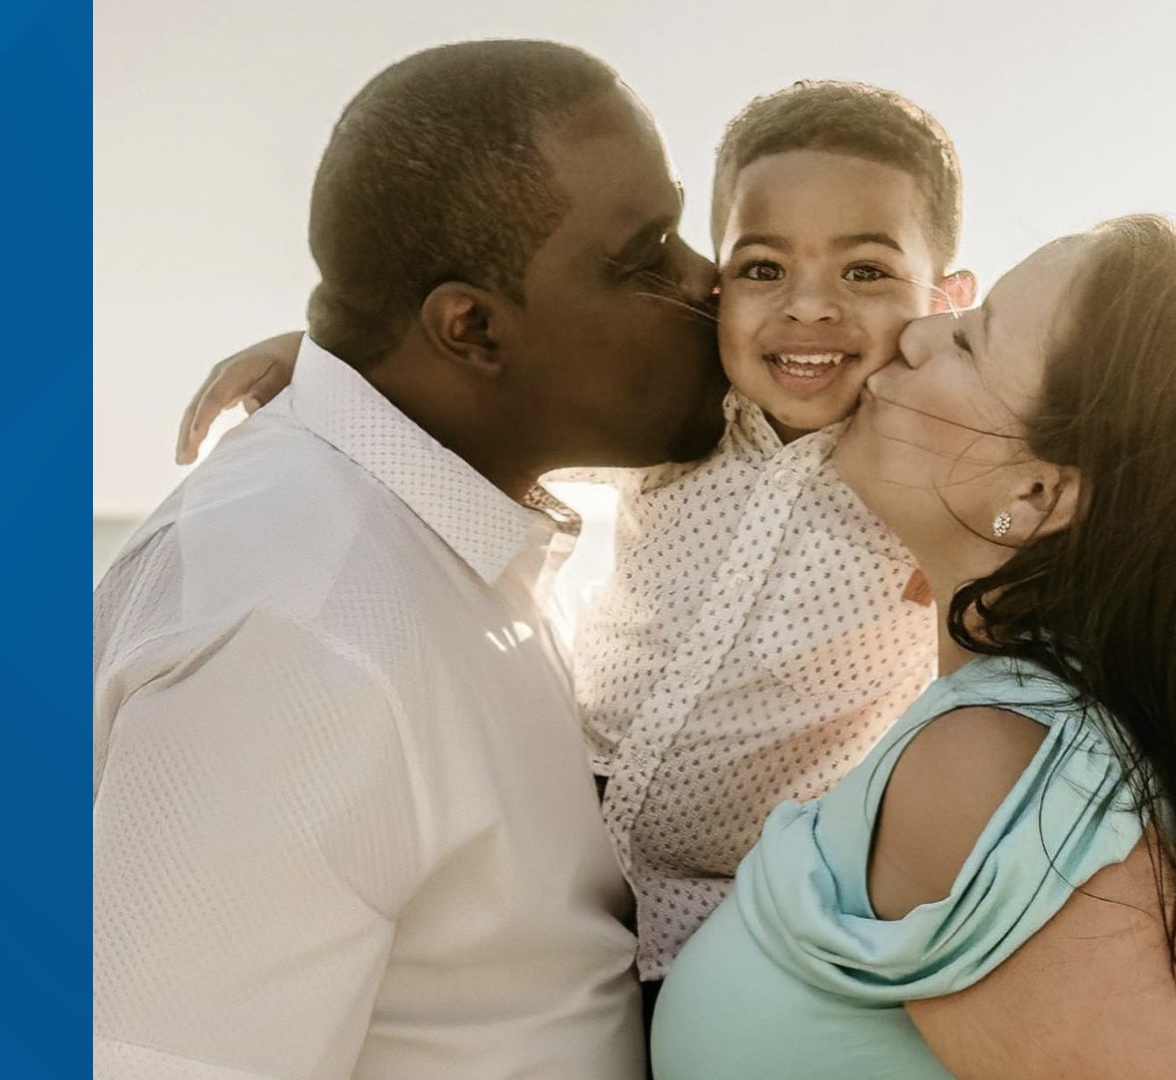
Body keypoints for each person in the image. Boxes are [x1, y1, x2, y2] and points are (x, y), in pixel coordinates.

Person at [176, 81, 979, 987]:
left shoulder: (939, 470)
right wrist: (330, 359)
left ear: (947, 297)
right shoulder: (682, 420)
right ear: (719, 280)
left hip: (753, 913)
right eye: (763, 268)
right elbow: (474, 405)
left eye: (864, 272)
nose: (809, 308)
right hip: (568, 852)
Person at [93, 41, 726, 1079]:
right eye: (647, 253)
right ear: (470, 328)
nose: (709, 280)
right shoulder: (297, 628)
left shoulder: (447, 525)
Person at [651, 216, 1176, 1079]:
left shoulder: (989, 769)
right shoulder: (1032, 750)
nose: (917, 332)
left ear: (1036, 493)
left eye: (969, 339)